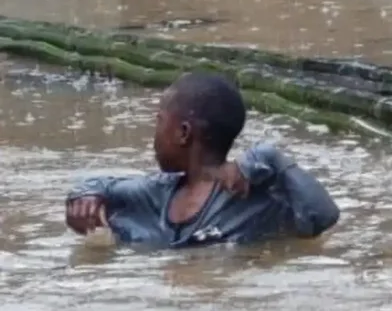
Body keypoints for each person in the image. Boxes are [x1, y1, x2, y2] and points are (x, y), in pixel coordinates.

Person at [64, 72, 340, 247]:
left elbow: (323, 217)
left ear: (183, 133)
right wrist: (85, 195)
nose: (154, 136)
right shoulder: (158, 192)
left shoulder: (254, 198)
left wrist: (272, 157)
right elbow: (102, 185)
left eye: (159, 123)